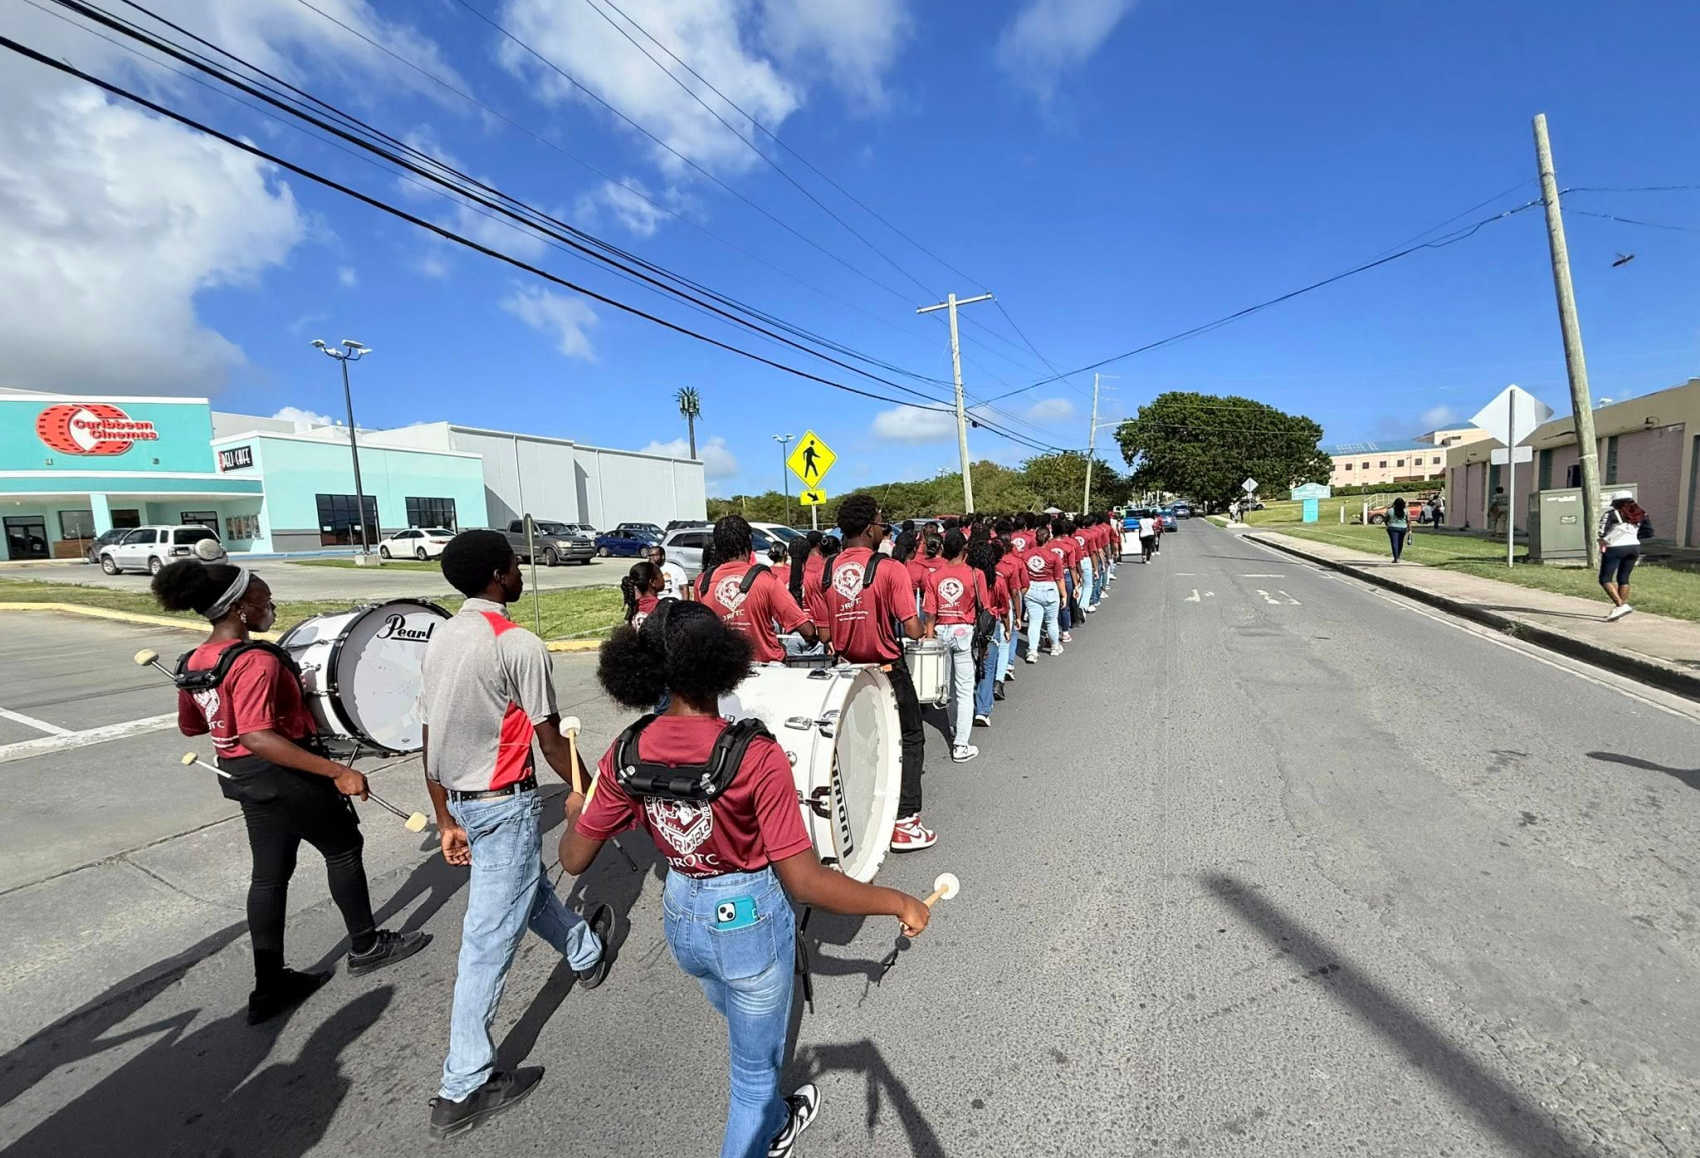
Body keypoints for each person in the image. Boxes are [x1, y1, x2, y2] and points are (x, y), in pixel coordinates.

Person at [563, 602, 930, 1158]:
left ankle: (777, 1115)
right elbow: (804, 882)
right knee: (753, 1080)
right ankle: (767, 1127)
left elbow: (572, 859)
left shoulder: (627, 750)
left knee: (741, 1025)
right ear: (722, 661)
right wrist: (897, 901)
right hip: (746, 919)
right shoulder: (755, 754)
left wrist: (575, 812)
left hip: (683, 915)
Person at [155, 560, 430, 1026]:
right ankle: (365, 945)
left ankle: (269, 984)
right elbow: (259, 735)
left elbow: (192, 726)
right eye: (263, 601)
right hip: (286, 773)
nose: (270, 608)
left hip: (243, 778)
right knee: (344, 849)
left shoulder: (194, 662)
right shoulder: (256, 660)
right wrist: (336, 772)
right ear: (241, 609)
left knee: (269, 876)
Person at [421, 531, 613, 1139]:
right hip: (504, 805)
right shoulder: (518, 643)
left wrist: (446, 817)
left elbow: (430, 740)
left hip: (462, 799)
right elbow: (551, 738)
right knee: (486, 939)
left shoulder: (440, 638)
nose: (520, 569)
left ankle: (585, 951)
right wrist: (598, 790)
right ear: (501, 575)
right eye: (514, 564)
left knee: (522, 896)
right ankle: (464, 1085)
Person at [810, 494, 936, 851]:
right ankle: (905, 822)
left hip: (846, 674)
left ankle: (864, 814)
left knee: (860, 747)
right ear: (869, 528)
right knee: (909, 738)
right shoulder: (889, 568)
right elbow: (911, 629)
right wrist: (925, 618)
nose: (885, 528)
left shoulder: (823, 572)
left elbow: (824, 634)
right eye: (882, 522)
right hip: (887, 671)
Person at [698, 516, 817, 662]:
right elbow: (806, 630)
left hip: (723, 671)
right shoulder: (766, 579)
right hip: (765, 668)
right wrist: (813, 637)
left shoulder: (702, 582)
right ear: (749, 542)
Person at [923, 530, 987, 762]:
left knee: (948, 686)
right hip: (963, 631)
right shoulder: (975, 574)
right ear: (964, 549)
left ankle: (953, 727)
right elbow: (984, 607)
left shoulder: (934, 575)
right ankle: (961, 744)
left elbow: (929, 612)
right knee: (964, 689)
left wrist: (929, 636)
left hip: (941, 631)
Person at [967, 538, 1008, 726]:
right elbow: (1003, 606)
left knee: (969, 666)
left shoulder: (967, 578)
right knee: (987, 667)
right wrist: (1007, 626)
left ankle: (966, 705)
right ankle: (982, 709)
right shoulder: (997, 581)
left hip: (968, 624)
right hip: (990, 625)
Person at [1598, 491, 1648, 621]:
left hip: (1615, 548)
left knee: (1605, 579)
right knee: (1624, 578)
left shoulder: (1612, 513)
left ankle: (1621, 605)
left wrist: (1602, 540)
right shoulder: (1641, 513)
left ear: (1616, 503)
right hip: (1634, 547)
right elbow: (1648, 531)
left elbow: (1601, 532)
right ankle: (1619, 611)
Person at [1022, 521, 1065, 661]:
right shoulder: (1054, 556)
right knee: (1051, 621)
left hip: (1031, 588)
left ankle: (1032, 651)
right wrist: (1063, 594)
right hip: (1049, 588)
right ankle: (1054, 646)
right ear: (1049, 538)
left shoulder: (1026, 555)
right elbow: (1059, 578)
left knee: (1034, 622)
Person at [622, 560, 665, 627]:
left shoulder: (634, 606)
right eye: (661, 576)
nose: (663, 579)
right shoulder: (660, 608)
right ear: (652, 582)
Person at [1385, 498, 1410, 563]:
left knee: (1394, 543)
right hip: (1403, 528)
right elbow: (1408, 521)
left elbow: (1386, 519)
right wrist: (1409, 529)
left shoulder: (1390, 510)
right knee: (1400, 542)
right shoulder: (1406, 511)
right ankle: (1398, 556)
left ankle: (1395, 558)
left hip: (1392, 528)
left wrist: (1387, 525)